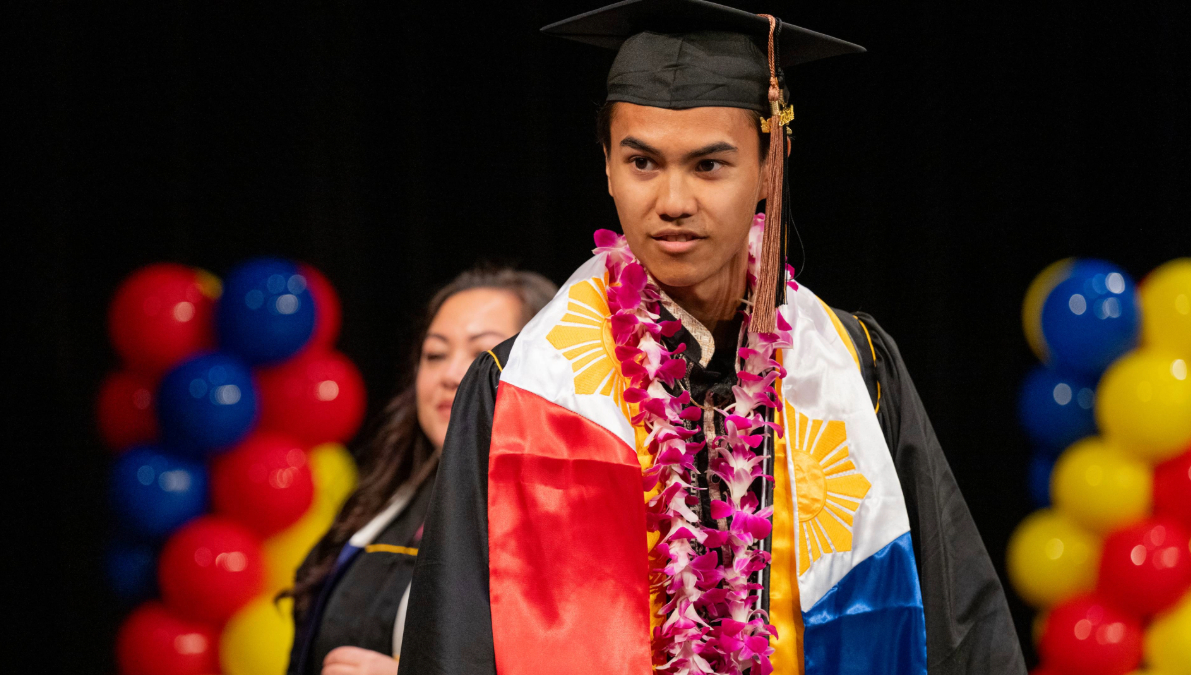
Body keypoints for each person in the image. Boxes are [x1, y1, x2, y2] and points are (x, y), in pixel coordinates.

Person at [399, 1, 1026, 674]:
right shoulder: (523, 388)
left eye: (708, 166)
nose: (673, 201)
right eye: (643, 162)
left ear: (770, 166)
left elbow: (963, 631)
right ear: (606, 166)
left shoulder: (854, 366)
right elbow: (456, 642)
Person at [284, 267, 556, 675]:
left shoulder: (562, 526)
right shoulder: (379, 507)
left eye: (482, 356)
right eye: (435, 355)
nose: (450, 375)